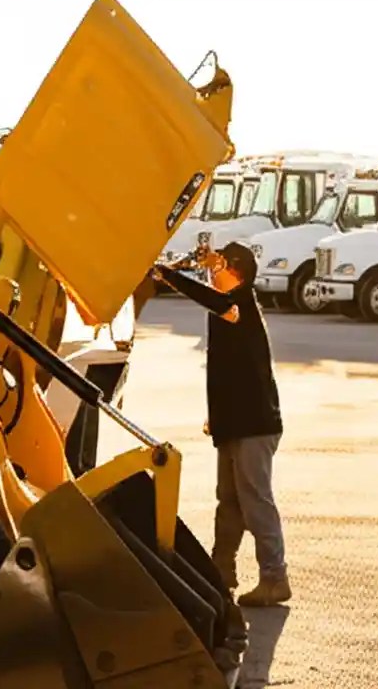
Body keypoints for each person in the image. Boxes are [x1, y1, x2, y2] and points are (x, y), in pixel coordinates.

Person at [152, 242, 290, 607]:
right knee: (228, 501)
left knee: (255, 501)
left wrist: (170, 276)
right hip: (234, 422)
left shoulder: (238, 304)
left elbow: (214, 301)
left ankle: (275, 577)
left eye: (221, 265)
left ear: (237, 271)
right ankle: (221, 572)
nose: (213, 270)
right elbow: (227, 370)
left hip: (254, 424)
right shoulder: (226, 308)